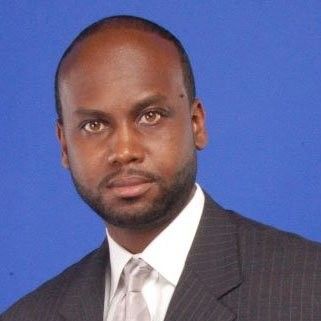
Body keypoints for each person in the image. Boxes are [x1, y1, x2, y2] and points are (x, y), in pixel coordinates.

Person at [1, 15, 320, 321]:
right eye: (94, 125)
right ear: (64, 145)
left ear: (196, 124)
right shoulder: (28, 315)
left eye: (149, 116)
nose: (124, 151)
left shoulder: (309, 288)